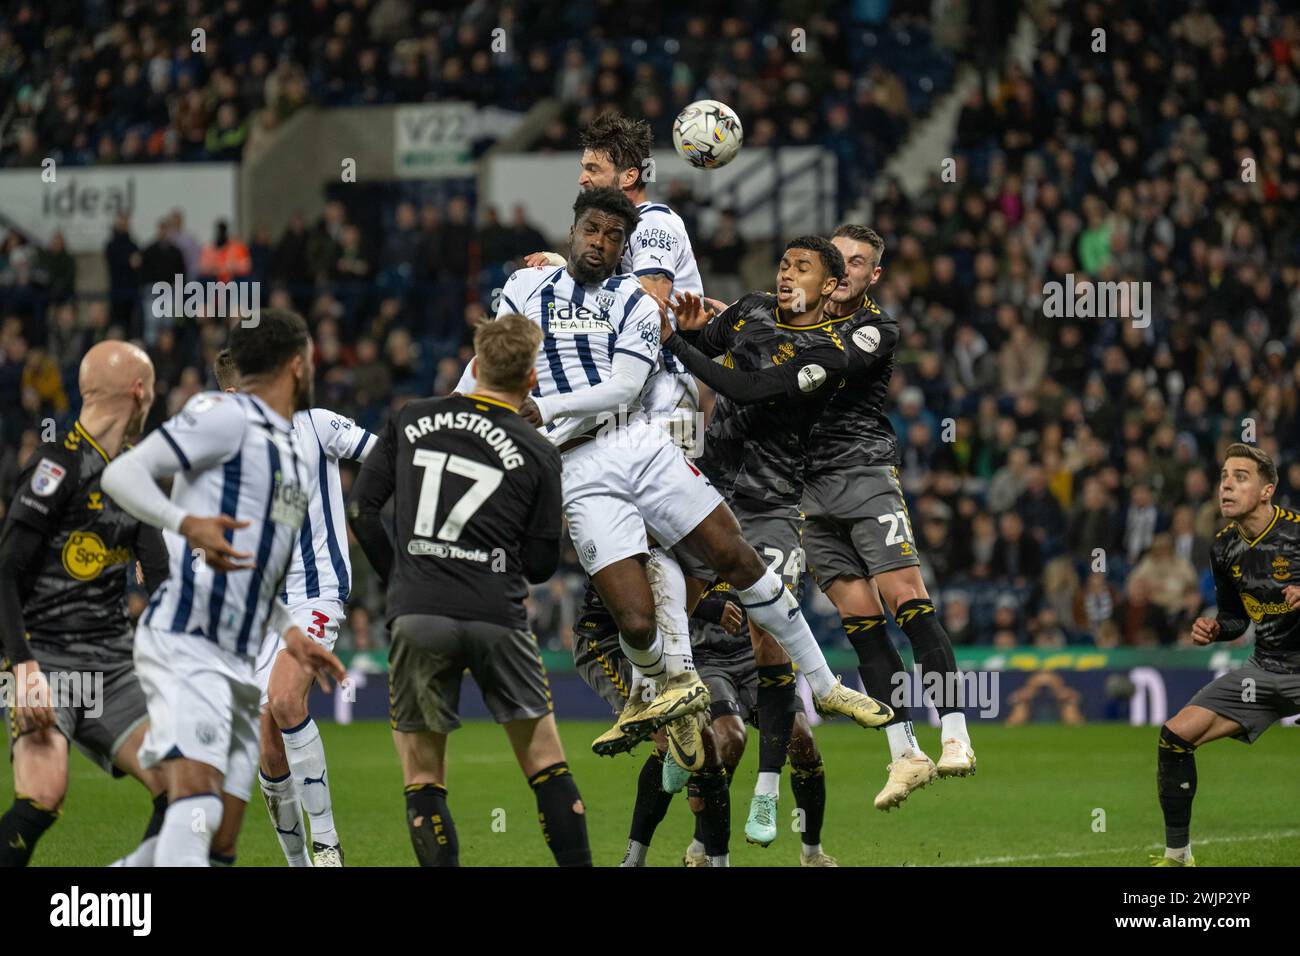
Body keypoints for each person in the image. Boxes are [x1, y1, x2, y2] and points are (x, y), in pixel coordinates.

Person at [101, 309, 344, 866]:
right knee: (197, 812)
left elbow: (251, 568)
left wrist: (289, 630)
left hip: (234, 649)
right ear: (294, 364)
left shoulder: (284, 449)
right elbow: (122, 475)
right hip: (186, 641)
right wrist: (184, 524)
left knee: (219, 837)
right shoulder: (221, 414)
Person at [348, 314, 589, 866]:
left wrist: (402, 579)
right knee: (547, 765)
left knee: (424, 778)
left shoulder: (410, 418)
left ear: (474, 365)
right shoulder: (538, 449)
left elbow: (361, 512)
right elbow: (539, 566)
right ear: (532, 380)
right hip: (495, 613)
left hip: (418, 612)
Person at [660, 235, 854, 855]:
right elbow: (709, 342)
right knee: (672, 592)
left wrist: (680, 346)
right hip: (710, 493)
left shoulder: (828, 350)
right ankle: (677, 736)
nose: (787, 274)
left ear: (829, 286)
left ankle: (768, 789)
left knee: (768, 631)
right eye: (783, 264)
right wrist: (694, 328)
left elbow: (743, 389)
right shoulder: (750, 309)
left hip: (773, 506)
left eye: (803, 268)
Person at [801, 225, 976, 812]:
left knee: (908, 603)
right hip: (808, 492)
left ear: (873, 274)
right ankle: (905, 754)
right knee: (860, 623)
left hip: (866, 476)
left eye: (857, 262)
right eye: (836, 259)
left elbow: (829, 364)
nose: (844, 269)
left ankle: (955, 733)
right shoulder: (790, 317)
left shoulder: (876, 327)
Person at [0, 342, 169, 866]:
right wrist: (21, 666)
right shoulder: (59, 464)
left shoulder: (134, 474)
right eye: (153, 385)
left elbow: (161, 579)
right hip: (44, 663)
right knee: (42, 796)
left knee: (184, 785)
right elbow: (4, 570)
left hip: (114, 667)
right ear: (139, 391)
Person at [213, 349, 376, 867]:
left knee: (286, 702)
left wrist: (374, 516)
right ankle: (299, 862)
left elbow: (384, 455)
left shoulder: (316, 424)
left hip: (317, 590)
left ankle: (327, 844)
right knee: (267, 746)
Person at [1153, 444, 1300, 866]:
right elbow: (1236, 617)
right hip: (1265, 669)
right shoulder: (1224, 548)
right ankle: (1178, 856)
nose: (1227, 486)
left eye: (1240, 477)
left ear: (1267, 490)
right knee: (1175, 736)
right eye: (1223, 477)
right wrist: (1216, 628)